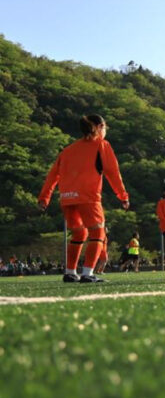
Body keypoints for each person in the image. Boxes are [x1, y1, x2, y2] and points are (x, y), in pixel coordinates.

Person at [37, 114, 129, 283]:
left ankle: (70, 272)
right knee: (97, 233)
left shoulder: (68, 150)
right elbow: (113, 173)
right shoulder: (101, 145)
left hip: (67, 199)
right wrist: (122, 196)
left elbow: (52, 176)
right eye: (105, 127)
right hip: (88, 197)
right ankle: (88, 273)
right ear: (100, 127)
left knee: (78, 234)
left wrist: (44, 198)